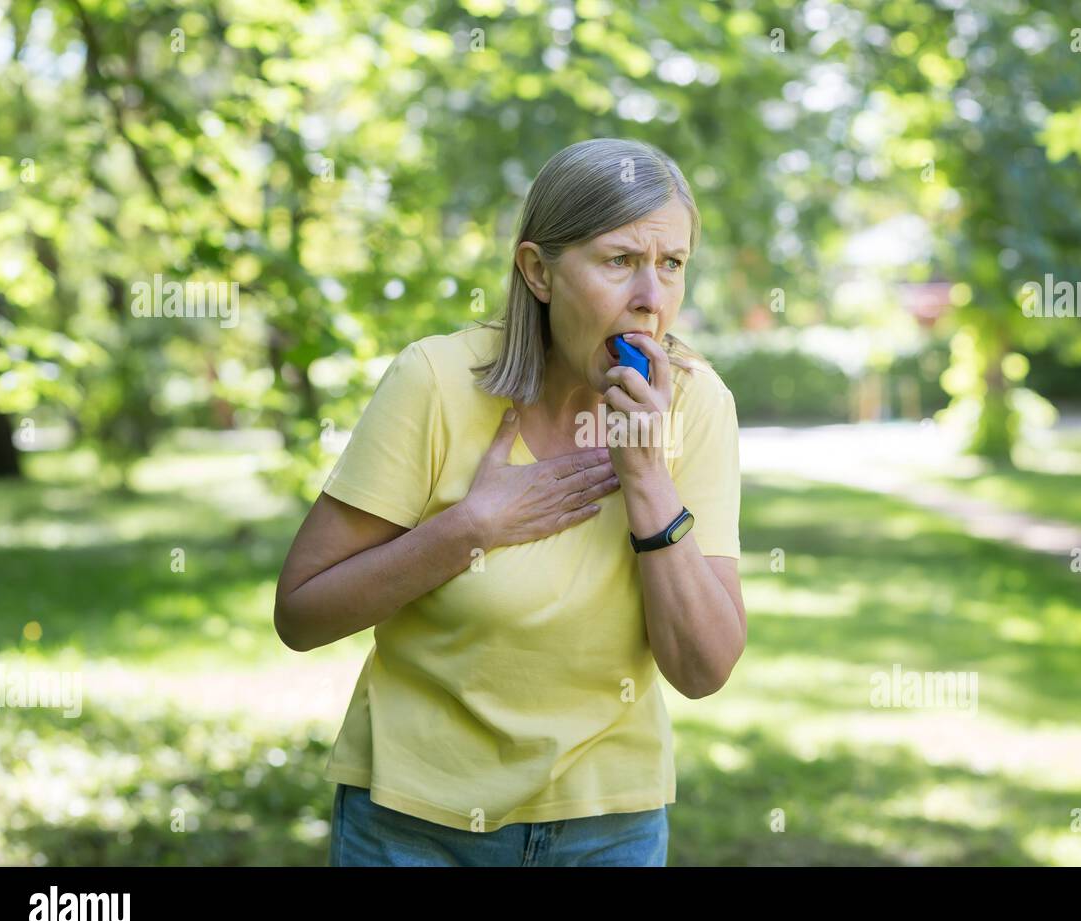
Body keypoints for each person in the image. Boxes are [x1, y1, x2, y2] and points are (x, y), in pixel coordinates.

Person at [273, 138, 746, 866]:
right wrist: (470, 528)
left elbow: (703, 669)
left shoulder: (697, 404)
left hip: (608, 826)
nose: (652, 299)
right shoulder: (435, 381)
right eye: (620, 261)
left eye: (672, 264)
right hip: (414, 825)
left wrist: (649, 477)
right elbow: (301, 614)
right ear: (538, 270)